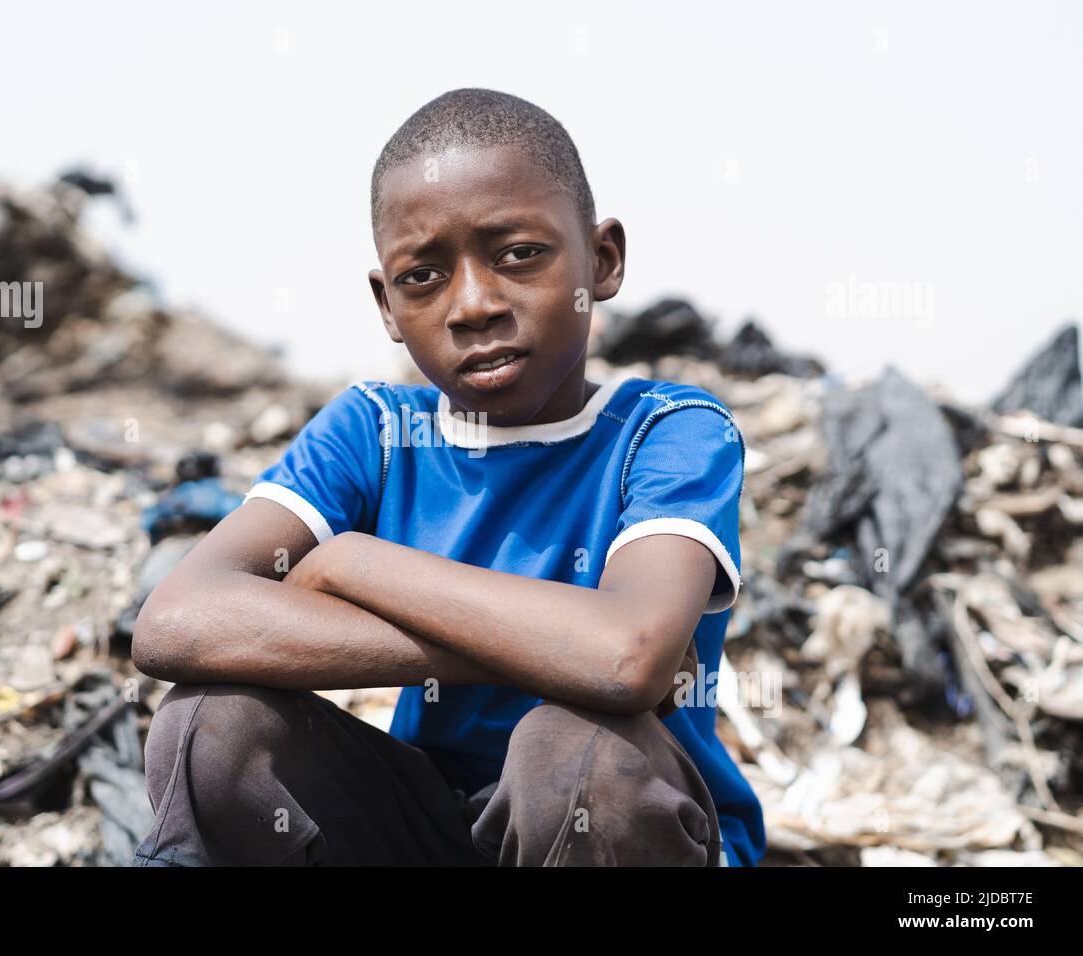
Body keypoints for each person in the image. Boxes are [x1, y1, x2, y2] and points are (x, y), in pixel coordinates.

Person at [131, 88, 766, 867]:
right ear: (387, 306)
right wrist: (538, 645)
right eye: (424, 277)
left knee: (573, 749)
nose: (473, 305)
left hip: (606, 826)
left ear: (601, 261)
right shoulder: (375, 432)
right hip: (426, 829)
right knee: (212, 725)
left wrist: (350, 565)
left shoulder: (665, 433)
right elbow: (177, 622)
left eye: (519, 255)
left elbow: (628, 657)